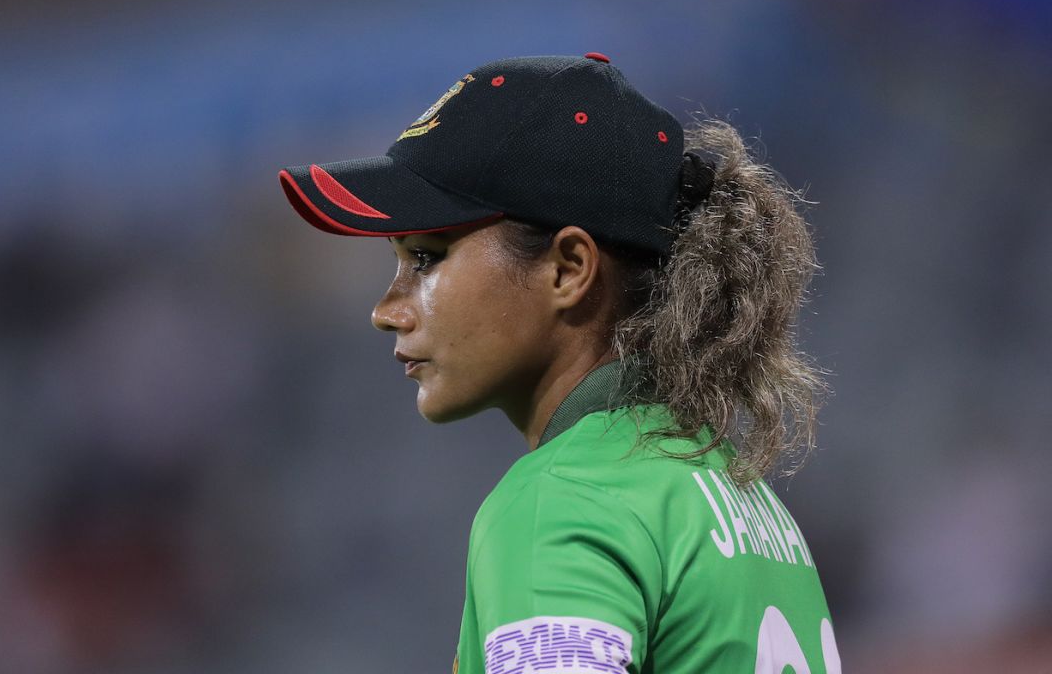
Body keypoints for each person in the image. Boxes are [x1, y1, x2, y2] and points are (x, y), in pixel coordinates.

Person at [278, 53, 840, 673]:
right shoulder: (742, 498)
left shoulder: (564, 499)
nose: (386, 310)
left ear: (568, 268)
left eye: (426, 257)